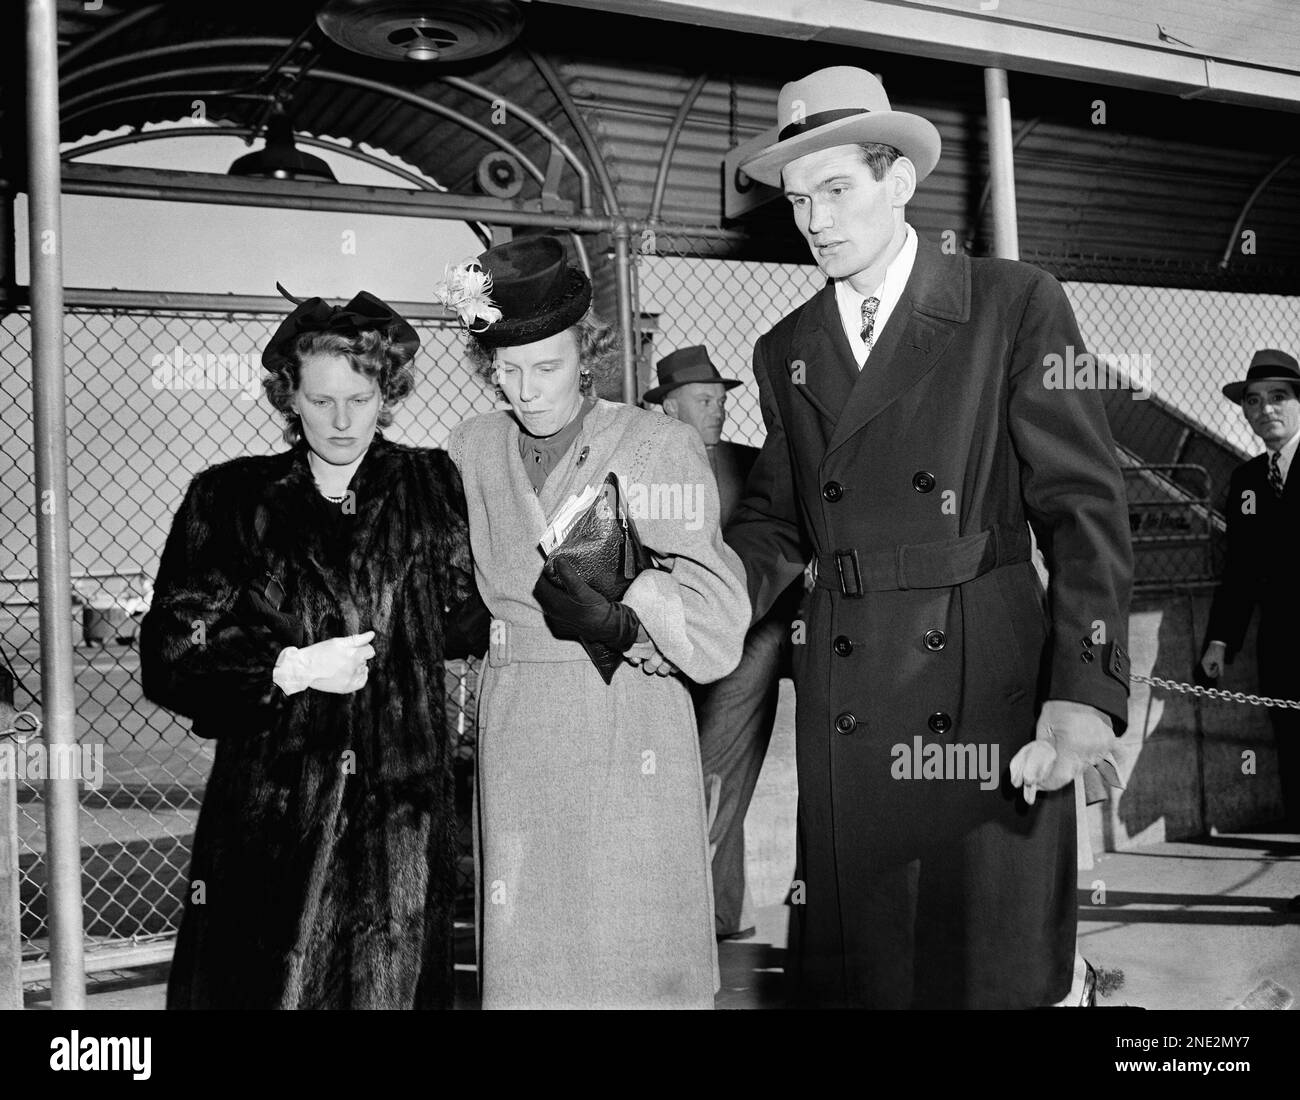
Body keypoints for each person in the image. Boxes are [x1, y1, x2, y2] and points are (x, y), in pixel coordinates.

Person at [727, 66, 1134, 1008]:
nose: (817, 220)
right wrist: (695, 600)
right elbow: (775, 525)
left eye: (837, 190)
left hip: (983, 686)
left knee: (989, 966)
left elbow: (1085, 507)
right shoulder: (783, 347)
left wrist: (1082, 696)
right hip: (850, 694)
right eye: (798, 201)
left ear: (899, 181)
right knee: (870, 972)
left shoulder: (1012, 303)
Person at [140, 289, 476, 1009]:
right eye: (321, 400)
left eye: (360, 397)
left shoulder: (430, 485)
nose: (343, 420)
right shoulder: (229, 500)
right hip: (273, 813)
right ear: (288, 396)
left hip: (399, 818)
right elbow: (171, 650)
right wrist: (283, 669)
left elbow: (468, 617)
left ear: (388, 392)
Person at [441, 236, 750, 1008]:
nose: (528, 389)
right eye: (507, 372)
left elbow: (716, 627)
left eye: (547, 367)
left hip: (629, 719)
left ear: (589, 353)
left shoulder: (657, 446)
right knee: (533, 969)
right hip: (519, 729)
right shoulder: (472, 449)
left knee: (635, 957)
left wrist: (625, 617)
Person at [647, 345, 800, 940]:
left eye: (721, 400)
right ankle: (723, 911)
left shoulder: (750, 463)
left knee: (717, 765)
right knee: (685, 770)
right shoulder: (647, 462)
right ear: (668, 407)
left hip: (750, 633)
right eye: (705, 401)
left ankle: (696, 916)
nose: (718, 411)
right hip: (667, 633)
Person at [1200, 349, 1300, 828]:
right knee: (1294, 754)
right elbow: (1241, 571)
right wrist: (1221, 639)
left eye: (1279, 397)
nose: (1266, 410)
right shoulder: (1247, 482)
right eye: (1255, 401)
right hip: (1282, 645)